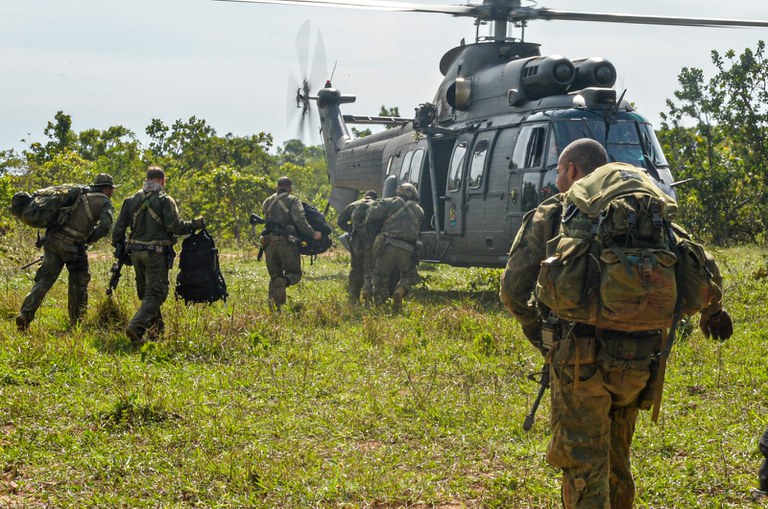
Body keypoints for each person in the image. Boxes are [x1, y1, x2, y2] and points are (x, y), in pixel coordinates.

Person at [499, 138, 733, 508]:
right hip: (639, 363)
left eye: (560, 171)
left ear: (572, 170)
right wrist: (713, 312)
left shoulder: (557, 211)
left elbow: (512, 292)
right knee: (616, 461)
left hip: (579, 362)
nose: (559, 179)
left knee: (584, 468)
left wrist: (541, 338)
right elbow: (702, 268)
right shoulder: (647, 213)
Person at [112, 166, 203, 344]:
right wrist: (194, 225)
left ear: (147, 179)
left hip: (135, 253)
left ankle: (156, 333)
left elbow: (118, 230)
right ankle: (136, 327)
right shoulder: (164, 200)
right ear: (162, 181)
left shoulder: (131, 200)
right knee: (156, 294)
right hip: (156, 253)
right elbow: (175, 226)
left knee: (147, 293)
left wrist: (121, 247)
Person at [16, 174, 116, 331]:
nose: (112, 192)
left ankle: (25, 314)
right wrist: (90, 239)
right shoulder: (104, 202)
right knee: (79, 282)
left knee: (44, 280)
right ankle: (77, 322)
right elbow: (105, 226)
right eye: (112, 189)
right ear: (107, 188)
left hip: (52, 240)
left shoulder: (78, 193)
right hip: (74, 247)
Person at [261, 176, 321, 310]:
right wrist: (313, 233)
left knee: (274, 276)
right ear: (289, 188)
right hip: (286, 242)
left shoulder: (267, 201)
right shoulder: (293, 200)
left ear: (277, 187)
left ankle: (273, 308)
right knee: (293, 274)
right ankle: (284, 282)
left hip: (268, 243)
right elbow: (300, 220)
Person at [367, 182, 424, 313]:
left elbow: (372, 216)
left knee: (381, 278)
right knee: (408, 276)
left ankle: (380, 308)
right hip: (407, 248)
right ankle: (400, 291)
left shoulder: (388, 202)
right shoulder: (418, 210)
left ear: (399, 192)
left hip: (387, 245)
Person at [337, 190, 378, 306]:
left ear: (365, 196)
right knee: (369, 268)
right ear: (374, 197)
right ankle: (368, 294)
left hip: (356, 242)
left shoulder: (354, 204)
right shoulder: (377, 205)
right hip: (371, 242)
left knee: (356, 268)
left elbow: (340, 221)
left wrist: (351, 229)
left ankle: (354, 296)